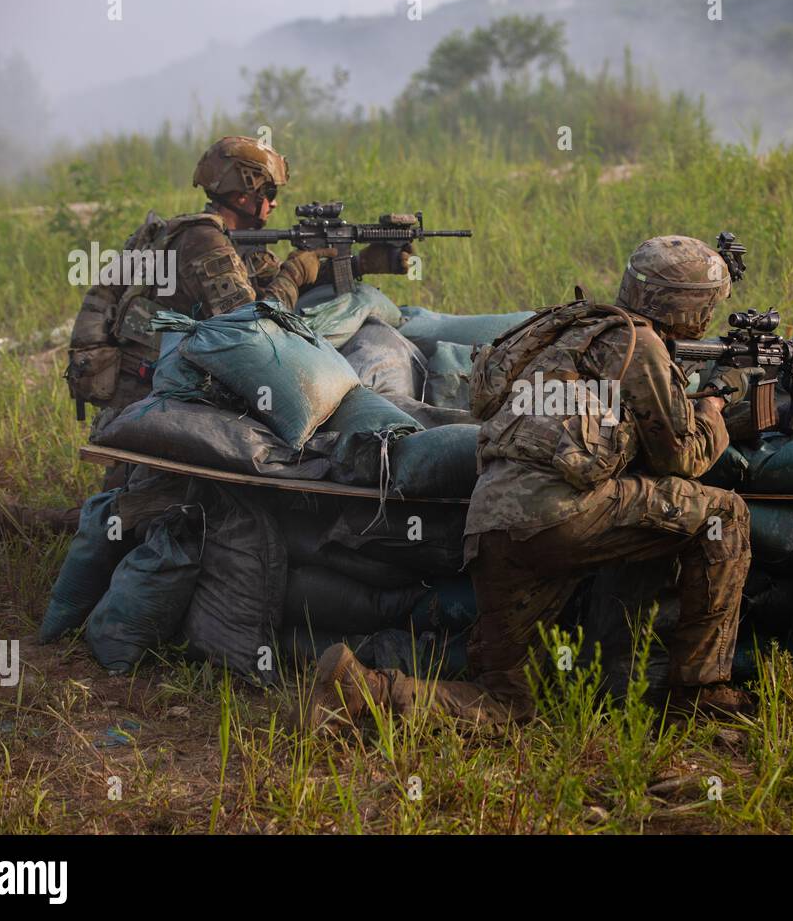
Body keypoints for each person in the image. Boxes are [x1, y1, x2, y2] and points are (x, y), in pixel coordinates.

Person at [307, 235, 756, 729]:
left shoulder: (568, 331)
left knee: (506, 702)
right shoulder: (640, 344)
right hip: (562, 518)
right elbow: (682, 458)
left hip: (494, 526)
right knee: (723, 513)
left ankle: (361, 691)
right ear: (691, 305)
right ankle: (700, 689)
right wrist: (713, 407)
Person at [0, 136, 406, 555]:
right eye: (269, 194)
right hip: (143, 398)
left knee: (143, 510)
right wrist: (294, 271)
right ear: (243, 192)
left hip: (156, 390)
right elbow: (248, 329)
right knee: (134, 518)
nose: (274, 206)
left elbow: (265, 282)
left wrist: (360, 262)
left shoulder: (225, 241)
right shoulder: (203, 242)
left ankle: (4, 520)